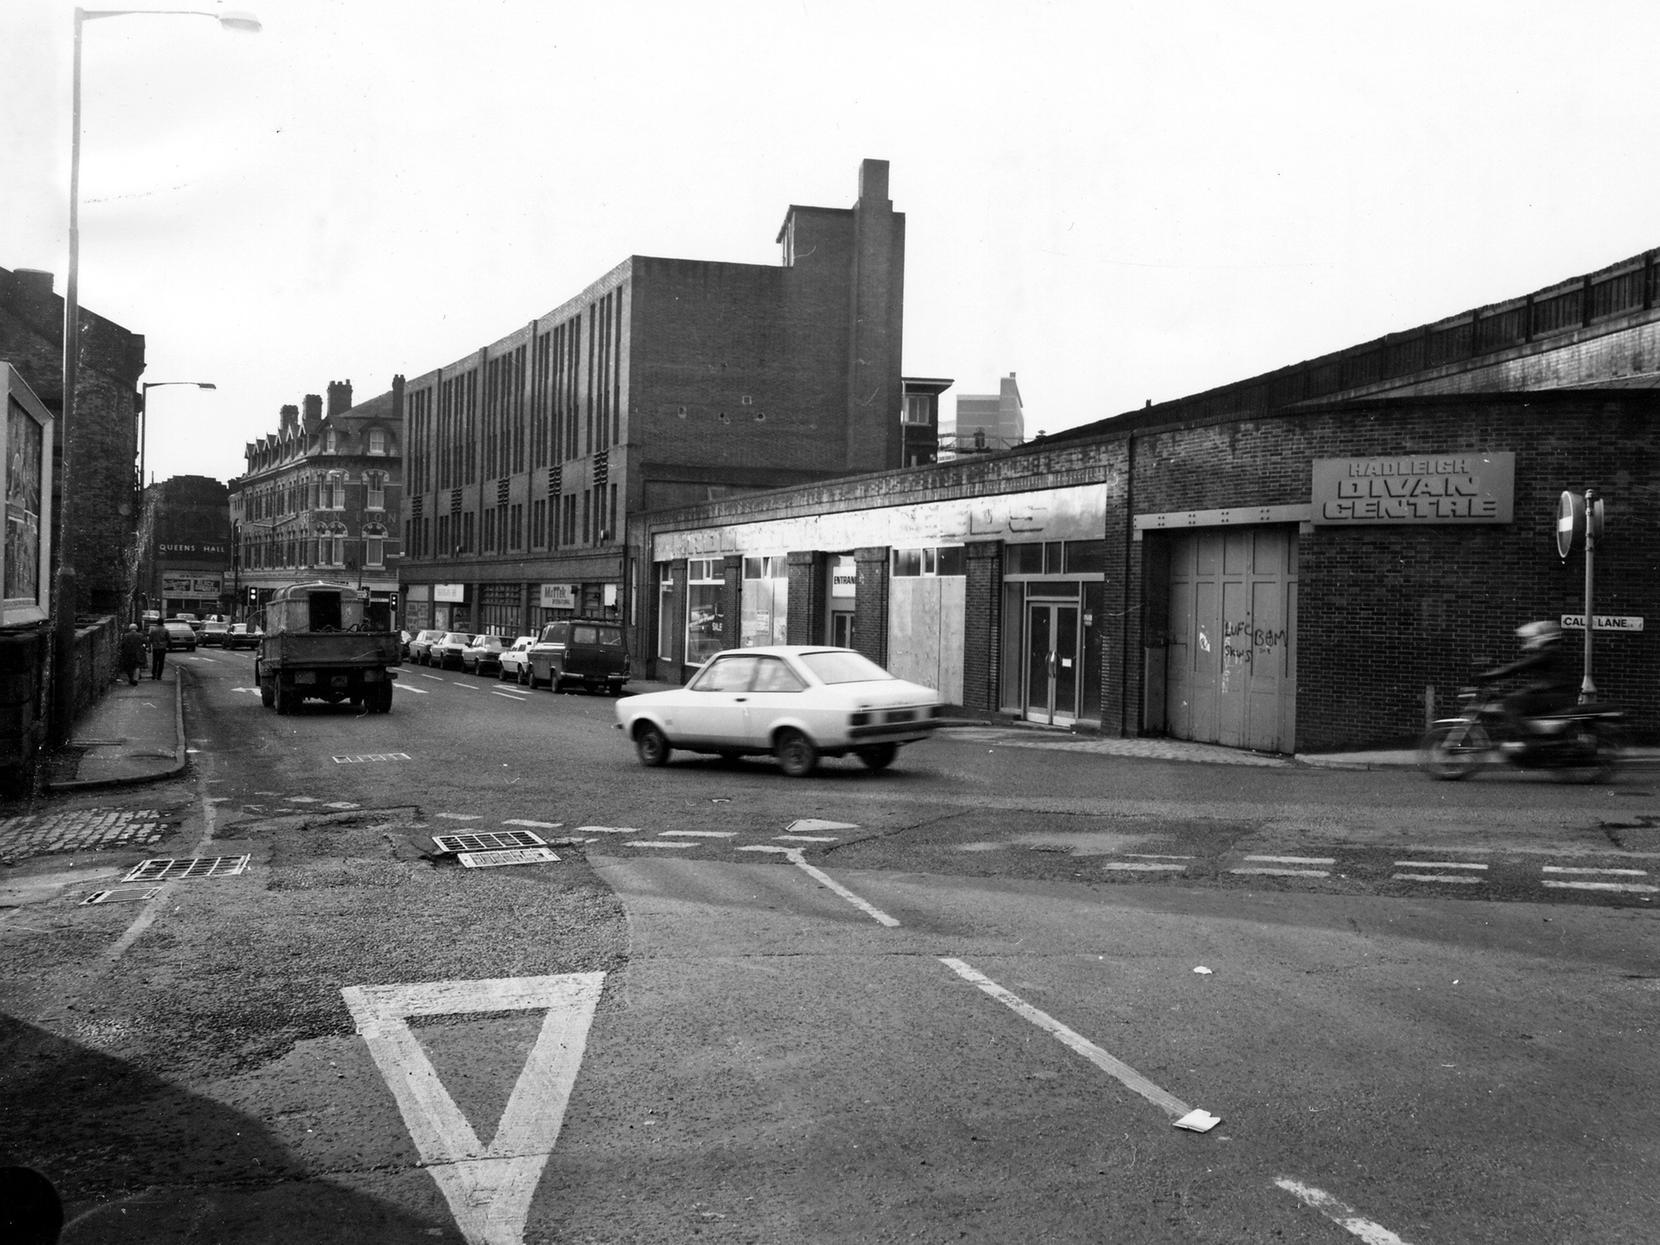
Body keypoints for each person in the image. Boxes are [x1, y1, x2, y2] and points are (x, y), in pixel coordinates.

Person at [1479, 619, 1578, 729]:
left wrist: (1489, 676)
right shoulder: (1551, 652)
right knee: (1515, 699)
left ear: (1540, 637)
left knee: (1510, 703)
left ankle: (1521, 739)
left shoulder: (1548, 652)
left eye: (1528, 639)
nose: (1526, 642)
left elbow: (1518, 667)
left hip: (1555, 697)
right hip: (1558, 696)